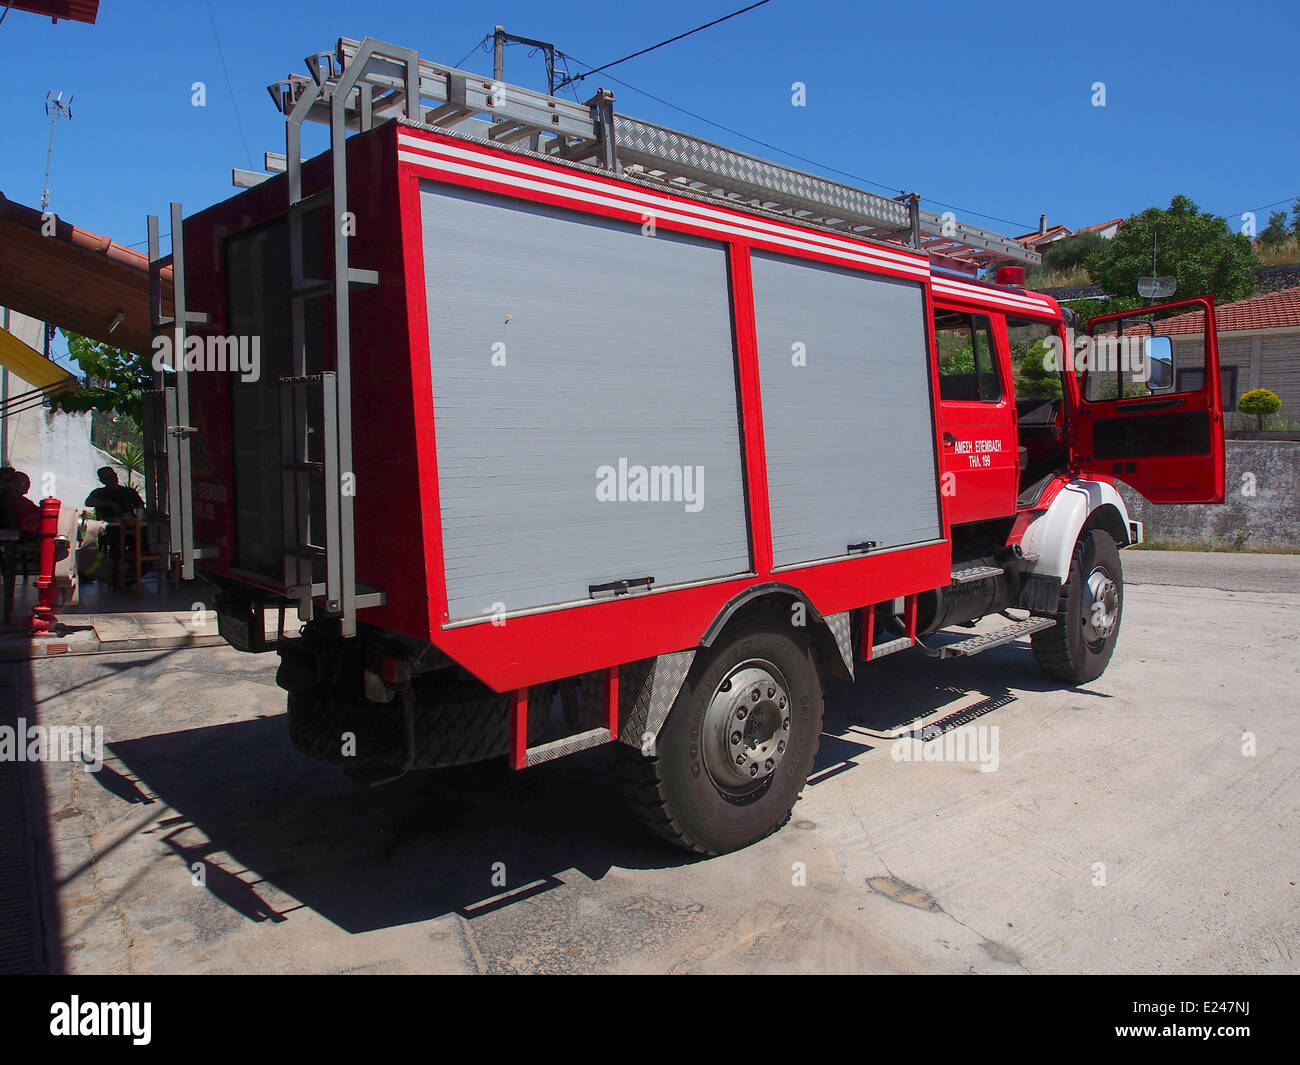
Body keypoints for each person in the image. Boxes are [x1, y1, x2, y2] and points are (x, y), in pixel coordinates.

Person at [0, 470, 41, 536]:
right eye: (23, 483)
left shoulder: (24, 502)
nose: (27, 486)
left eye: (28, 483)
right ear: (11, 484)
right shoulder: (12, 502)